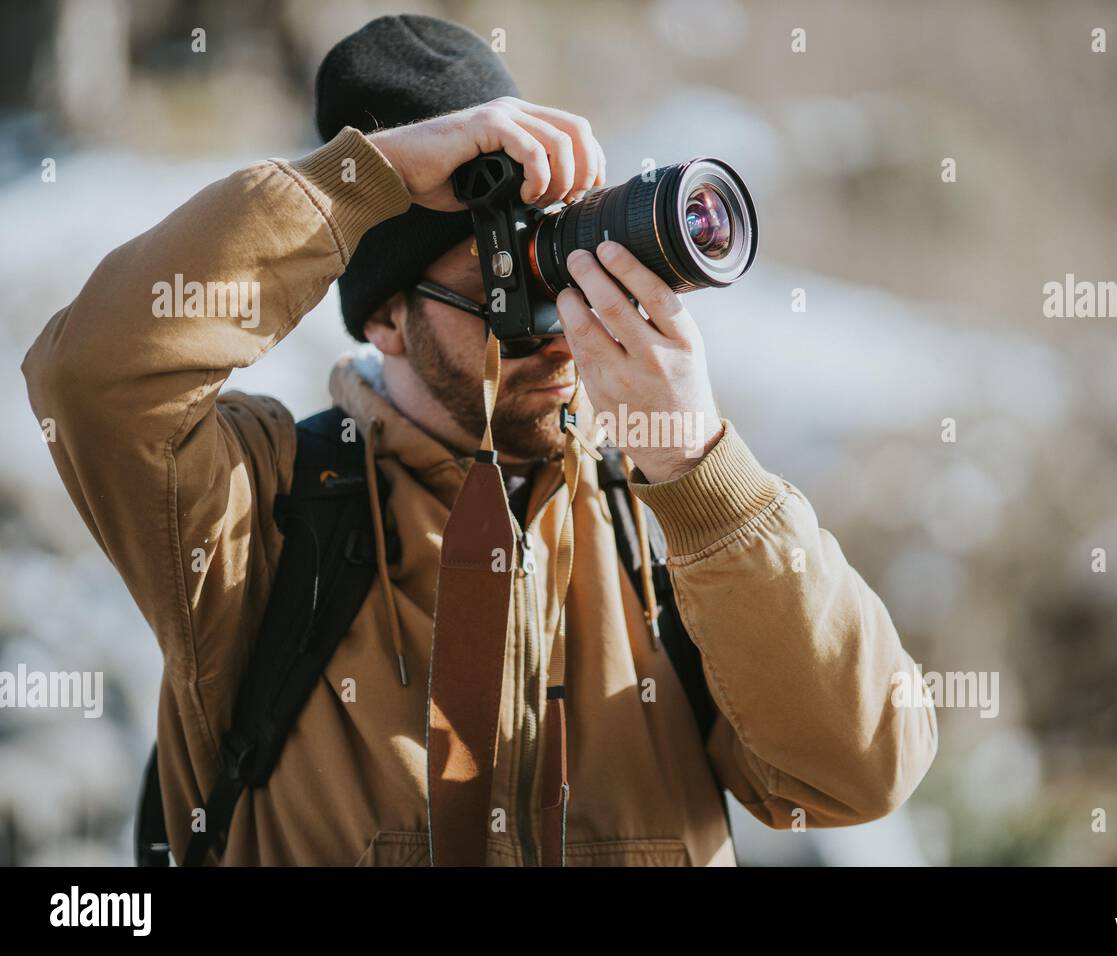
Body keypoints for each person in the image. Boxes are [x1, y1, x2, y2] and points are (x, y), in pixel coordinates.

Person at [22, 15, 936, 866]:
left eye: (560, 267)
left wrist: (698, 468)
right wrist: (360, 185)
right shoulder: (260, 510)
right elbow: (94, 375)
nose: (552, 330)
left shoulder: (664, 525)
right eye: (506, 284)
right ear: (385, 318)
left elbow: (861, 772)